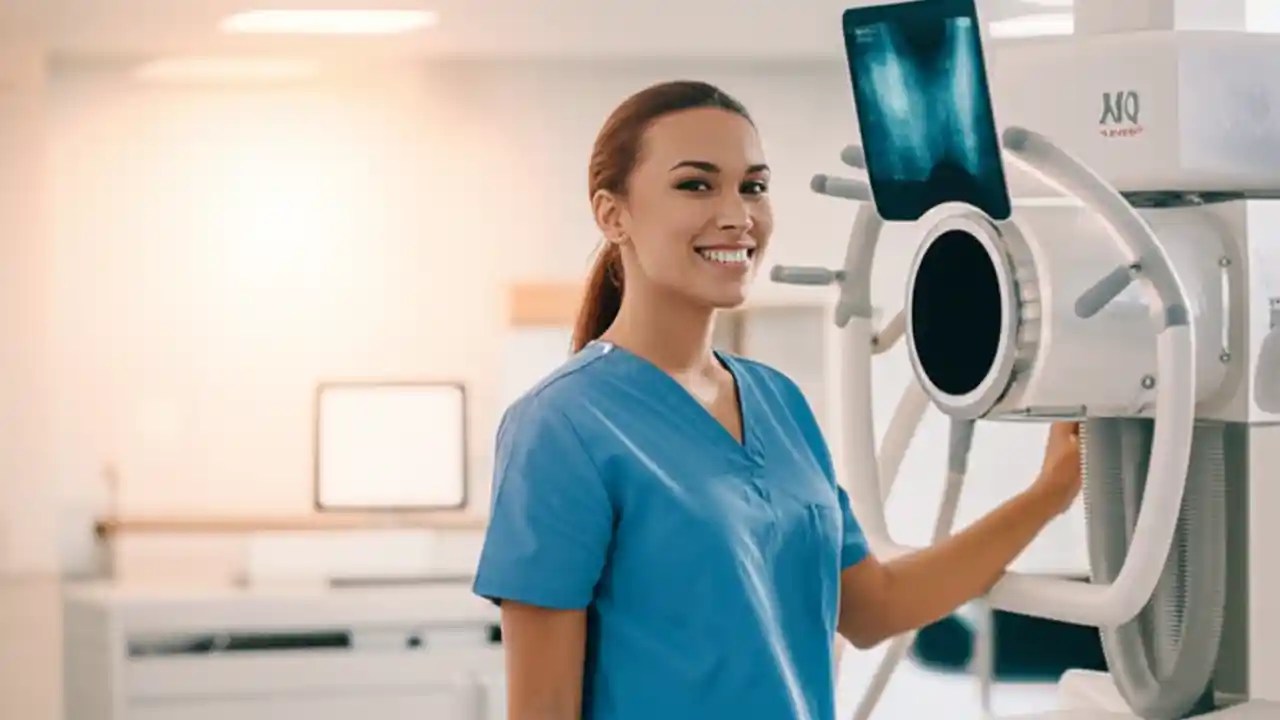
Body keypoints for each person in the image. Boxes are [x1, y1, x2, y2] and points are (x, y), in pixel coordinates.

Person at [472, 80, 1082, 720]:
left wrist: (1051, 492)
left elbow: (876, 606)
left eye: (753, 186)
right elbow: (541, 709)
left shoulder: (778, 402)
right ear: (612, 213)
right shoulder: (562, 425)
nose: (737, 214)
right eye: (696, 185)